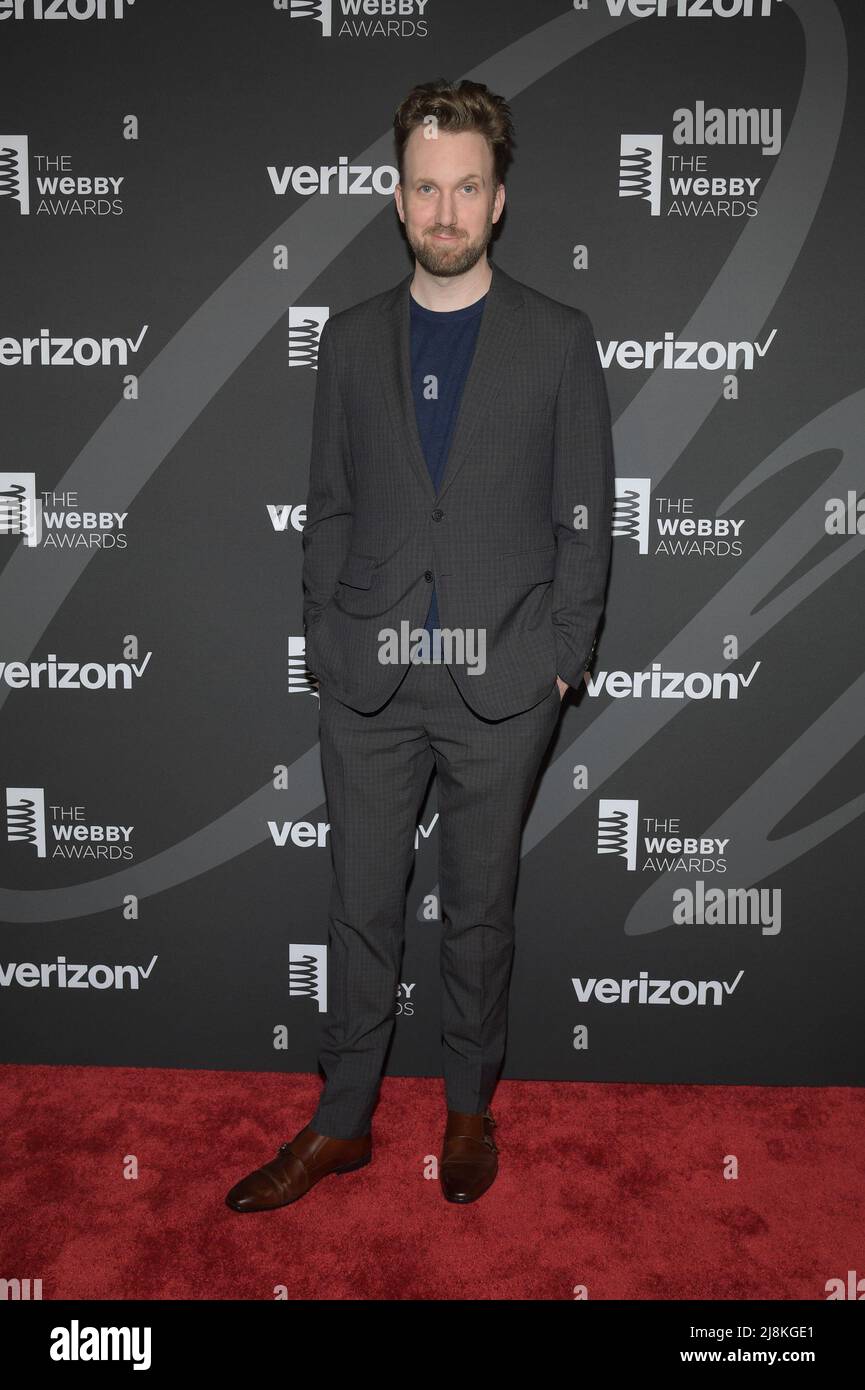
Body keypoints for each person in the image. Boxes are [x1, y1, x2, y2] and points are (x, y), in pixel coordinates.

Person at [226, 77, 614, 1212]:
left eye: (467, 189)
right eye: (424, 188)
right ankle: (342, 1120)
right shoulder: (346, 343)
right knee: (358, 904)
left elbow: (583, 514)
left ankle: (466, 1108)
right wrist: (325, 634)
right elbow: (330, 505)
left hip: (505, 677)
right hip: (368, 680)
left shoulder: (556, 338)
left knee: (480, 912)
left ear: (498, 201)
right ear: (397, 200)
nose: (444, 211)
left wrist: (561, 656)